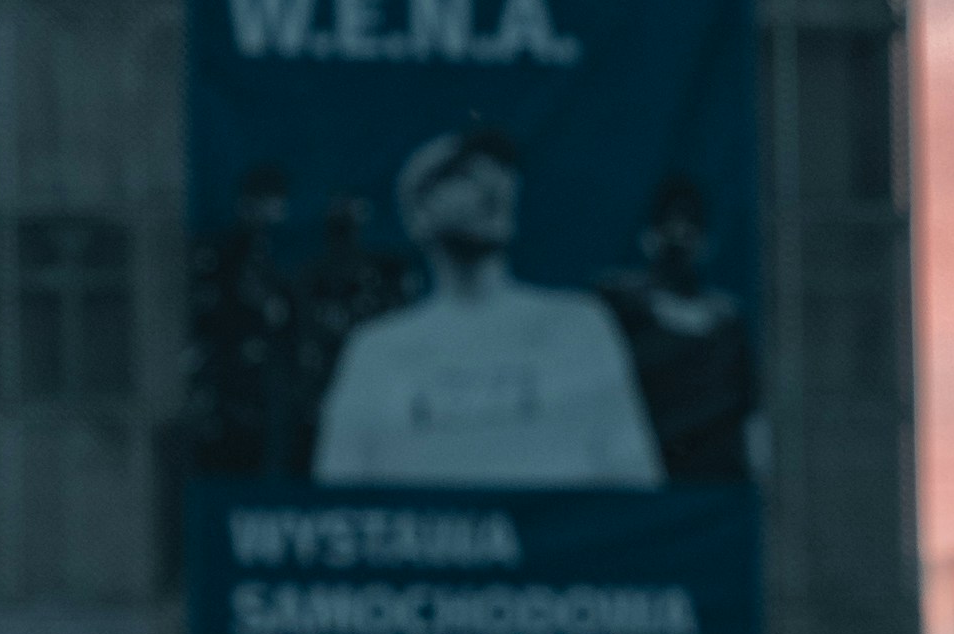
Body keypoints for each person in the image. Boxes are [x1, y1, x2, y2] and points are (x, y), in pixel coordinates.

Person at [308, 127, 665, 489]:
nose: (492, 184)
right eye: (464, 176)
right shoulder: (377, 349)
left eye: (499, 171)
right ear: (420, 211)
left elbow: (634, 479)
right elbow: (339, 497)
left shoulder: (578, 324)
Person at [599, 172, 760, 487]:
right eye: (668, 225)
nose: (679, 235)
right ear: (648, 237)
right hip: (643, 482)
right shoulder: (618, 308)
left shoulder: (728, 324)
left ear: (705, 242)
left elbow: (751, 414)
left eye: (689, 226)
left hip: (715, 486)